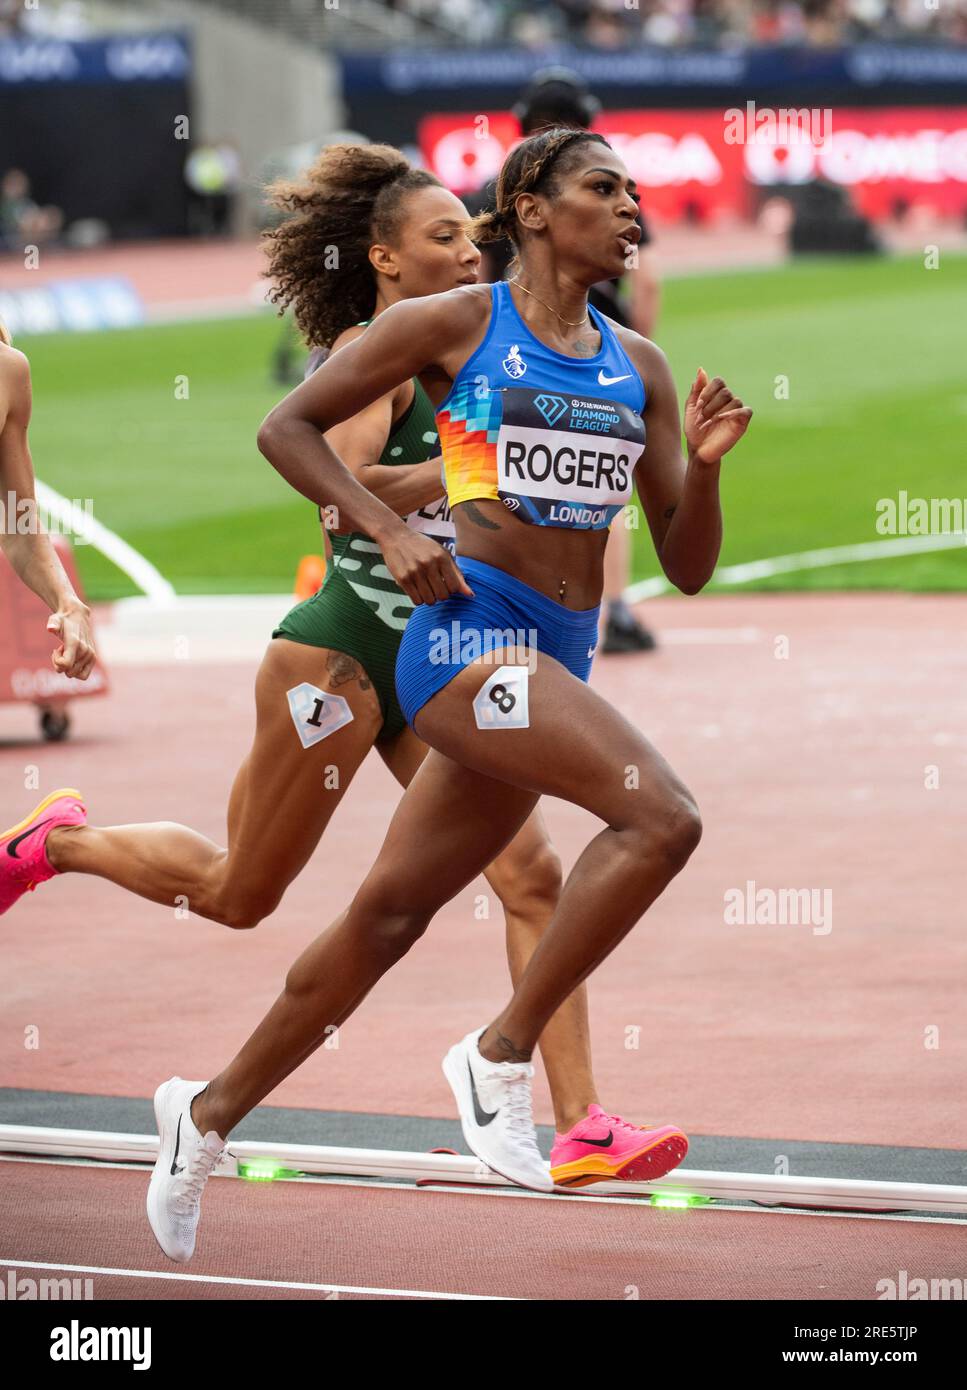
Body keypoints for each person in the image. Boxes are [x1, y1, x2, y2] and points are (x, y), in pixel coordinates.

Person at [0, 147, 684, 1194]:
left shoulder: (497, 351)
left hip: (454, 644)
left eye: (473, 234)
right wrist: (465, 469)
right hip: (346, 650)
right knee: (241, 892)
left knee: (526, 873)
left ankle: (577, 1115)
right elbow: (335, 488)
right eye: (444, 237)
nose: (469, 250)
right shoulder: (387, 350)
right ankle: (66, 840)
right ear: (386, 259)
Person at [143, 128, 751, 1261]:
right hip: (467, 647)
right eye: (603, 189)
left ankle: (204, 1113)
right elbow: (288, 430)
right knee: (661, 814)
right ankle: (499, 1049)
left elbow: (688, 563)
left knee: (389, 914)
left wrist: (704, 470)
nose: (630, 209)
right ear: (529, 207)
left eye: (634, 192)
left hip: (554, 660)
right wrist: (382, 528)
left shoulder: (641, 366)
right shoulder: (459, 324)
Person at [463, 68, 659, 654]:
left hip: (510, 351)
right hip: (596, 345)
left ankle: (497, 602)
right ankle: (616, 609)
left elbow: (478, 280)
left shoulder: (497, 193)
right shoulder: (612, 187)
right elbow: (646, 285)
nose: (621, 204)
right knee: (602, 484)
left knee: (503, 479)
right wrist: (636, 359)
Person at [0, 317, 96, 906]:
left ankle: (27, 854)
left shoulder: (9, 371)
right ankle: (26, 854)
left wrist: (68, 601)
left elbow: (19, 526)